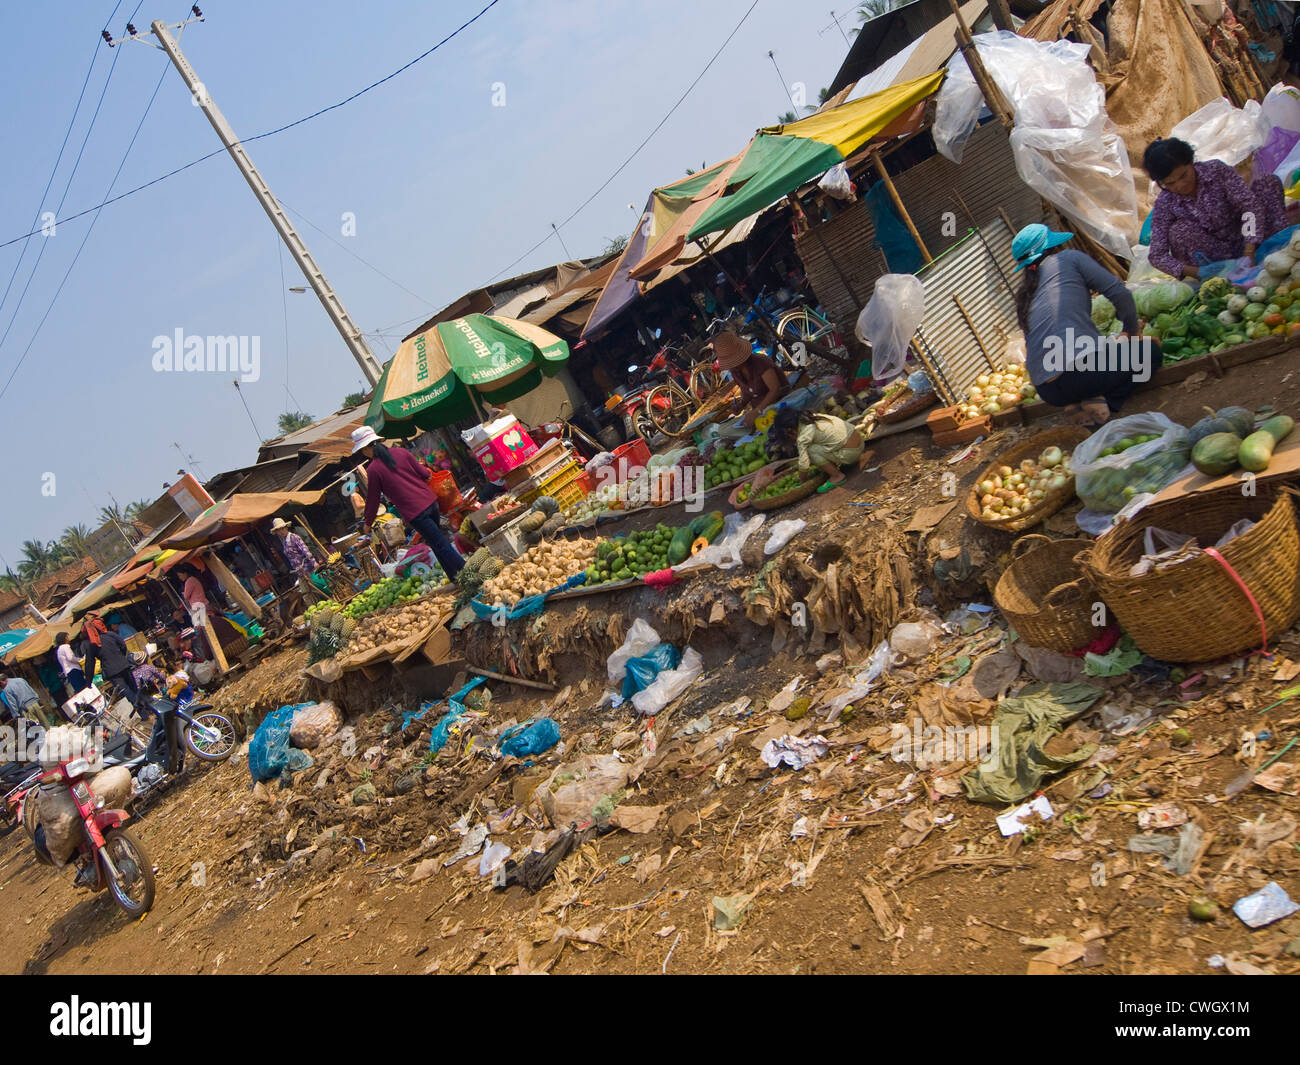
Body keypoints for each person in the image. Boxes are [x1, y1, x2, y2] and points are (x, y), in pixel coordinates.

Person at [1012, 223, 1160, 426]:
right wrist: (1132, 332)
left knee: (1099, 364)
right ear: (1052, 247)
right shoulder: (1069, 259)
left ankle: (1078, 403)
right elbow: (1119, 292)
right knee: (1150, 351)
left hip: (1048, 391)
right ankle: (1104, 403)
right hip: (1082, 375)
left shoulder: (1026, 293)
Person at [1143, 137, 1289, 281]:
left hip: (1250, 238)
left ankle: (1277, 251)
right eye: (1170, 183)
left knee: (1268, 183)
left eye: (1183, 175)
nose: (1180, 185)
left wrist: (1249, 250)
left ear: (1191, 162)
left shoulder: (1216, 171)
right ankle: (1224, 277)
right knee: (1179, 231)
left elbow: (1248, 205)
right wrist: (1198, 272)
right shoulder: (1166, 201)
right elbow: (1157, 255)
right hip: (1216, 260)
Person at [351, 426, 466, 577]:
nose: (363, 453)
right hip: (431, 503)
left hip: (416, 512)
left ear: (366, 449)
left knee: (439, 543)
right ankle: (454, 577)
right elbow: (425, 474)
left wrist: (367, 523)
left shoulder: (373, 470)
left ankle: (465, 571)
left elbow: (373, 499)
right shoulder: (401, 452)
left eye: (362, 451)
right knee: (436, 542)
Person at [770, 408, 870, 488]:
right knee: (820, 444)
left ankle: (837, 476)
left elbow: (804, 465)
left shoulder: (803, 438)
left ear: (790, 431)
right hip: (860, 443)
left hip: (851, 454)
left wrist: (801, 480)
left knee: (810, 451)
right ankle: (838, 465)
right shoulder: (814, 417)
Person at [710, 330, 789, 429]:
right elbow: (747, 392)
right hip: (761, 416)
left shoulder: (760, 362)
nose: (734, 365)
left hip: (780, 406)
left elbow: (775, 389)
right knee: (724, 430)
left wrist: (757, 411)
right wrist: (741, 405)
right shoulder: (735, 371)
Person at [270, 517, 324, 602]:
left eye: (282, 528)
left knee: (317, 589)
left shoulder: (294, 537)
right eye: (278, 530)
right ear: (276, 532)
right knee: (306, 594)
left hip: (308, 568)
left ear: (286, 528)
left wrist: (314, 562)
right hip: (300, 571)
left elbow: (305, 549)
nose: (281, 531)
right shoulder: (284, 542)